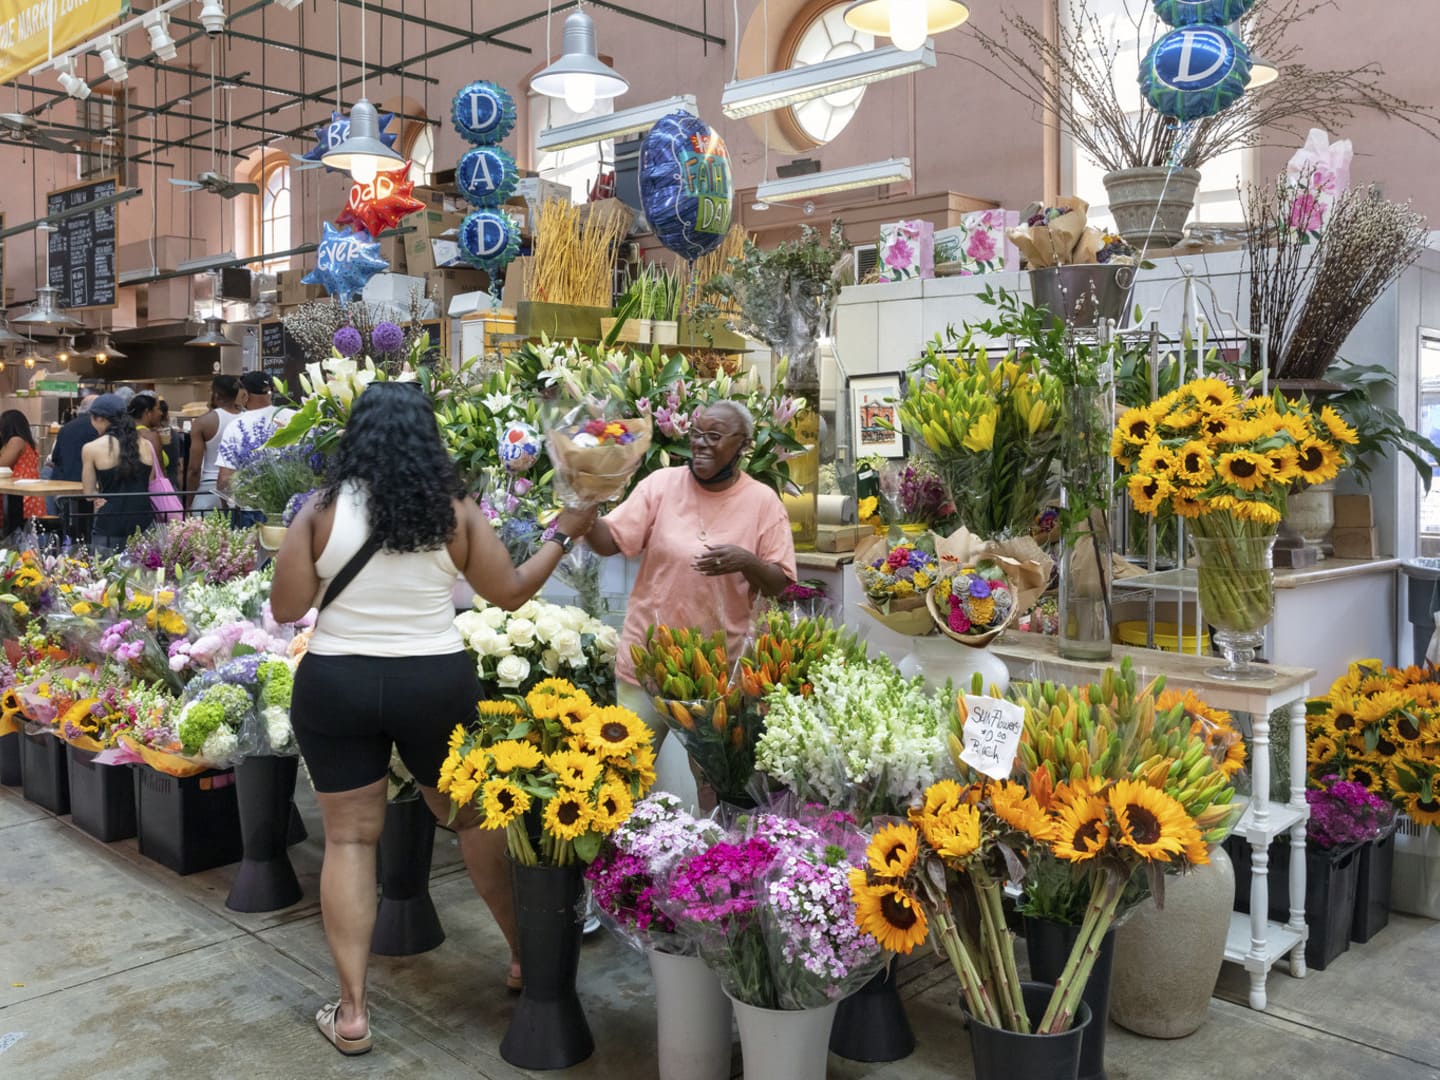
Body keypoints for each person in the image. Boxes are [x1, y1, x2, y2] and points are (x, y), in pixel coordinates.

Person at [269, 382, 597, 1057]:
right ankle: (522, 960)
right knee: (474, 819)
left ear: (356, 437)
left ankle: (354, 1013)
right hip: (435, 684)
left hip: (338, 682)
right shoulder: (457, 511)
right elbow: (507, 594)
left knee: (352, 841)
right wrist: (563, 534)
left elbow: (286, 607)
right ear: (429, 438)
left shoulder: (320, 511)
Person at [584, 401, 796, 752]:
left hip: (718, 672)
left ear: (743, 445)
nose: (701, 443)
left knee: (717, 781)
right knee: (625, 767)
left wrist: (747, 561)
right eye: (697, 434)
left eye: (714, 436)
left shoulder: (763, 501)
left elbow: (780, 583)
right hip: (647, 661)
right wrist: (586, 507)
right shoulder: (661, 484)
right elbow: (610, 542)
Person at [81, 393, 157, 550]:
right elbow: (150, 480)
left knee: (106, 571)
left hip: (110, 522)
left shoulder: (91, 448)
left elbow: (88, 493)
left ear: (99, 418)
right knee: (144, 571)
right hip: (144, 521)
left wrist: (98, 499)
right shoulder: (146, 444)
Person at [215, 371, 295, 493]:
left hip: (251, 503)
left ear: (245, 394)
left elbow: (225, 479)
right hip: (294, 500)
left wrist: (228, 508)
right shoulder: (295, 417)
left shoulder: (236, 426)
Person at [185, 375, 244, 511]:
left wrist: (189, 501)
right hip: (239, 491)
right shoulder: (247, 420)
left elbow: (194, 469)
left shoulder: (203, 423)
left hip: (208, 490)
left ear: (216, 395)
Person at [0, 410, 46, 525]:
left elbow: (2, 465)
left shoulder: (16, 441)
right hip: (29, 493)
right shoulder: (27, 442)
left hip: (20, 495)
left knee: (16, 532)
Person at [50, 392, 100, 483]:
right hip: (87, 482)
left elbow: (55, 457)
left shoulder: (65, 428)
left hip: (62, 481)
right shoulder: (99, 427)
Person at [128, 392, 167, 475]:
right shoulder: (151, 437)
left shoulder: (124, 431)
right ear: (147, 412)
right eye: (158, 409)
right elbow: (160, 472)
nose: (161, 413)